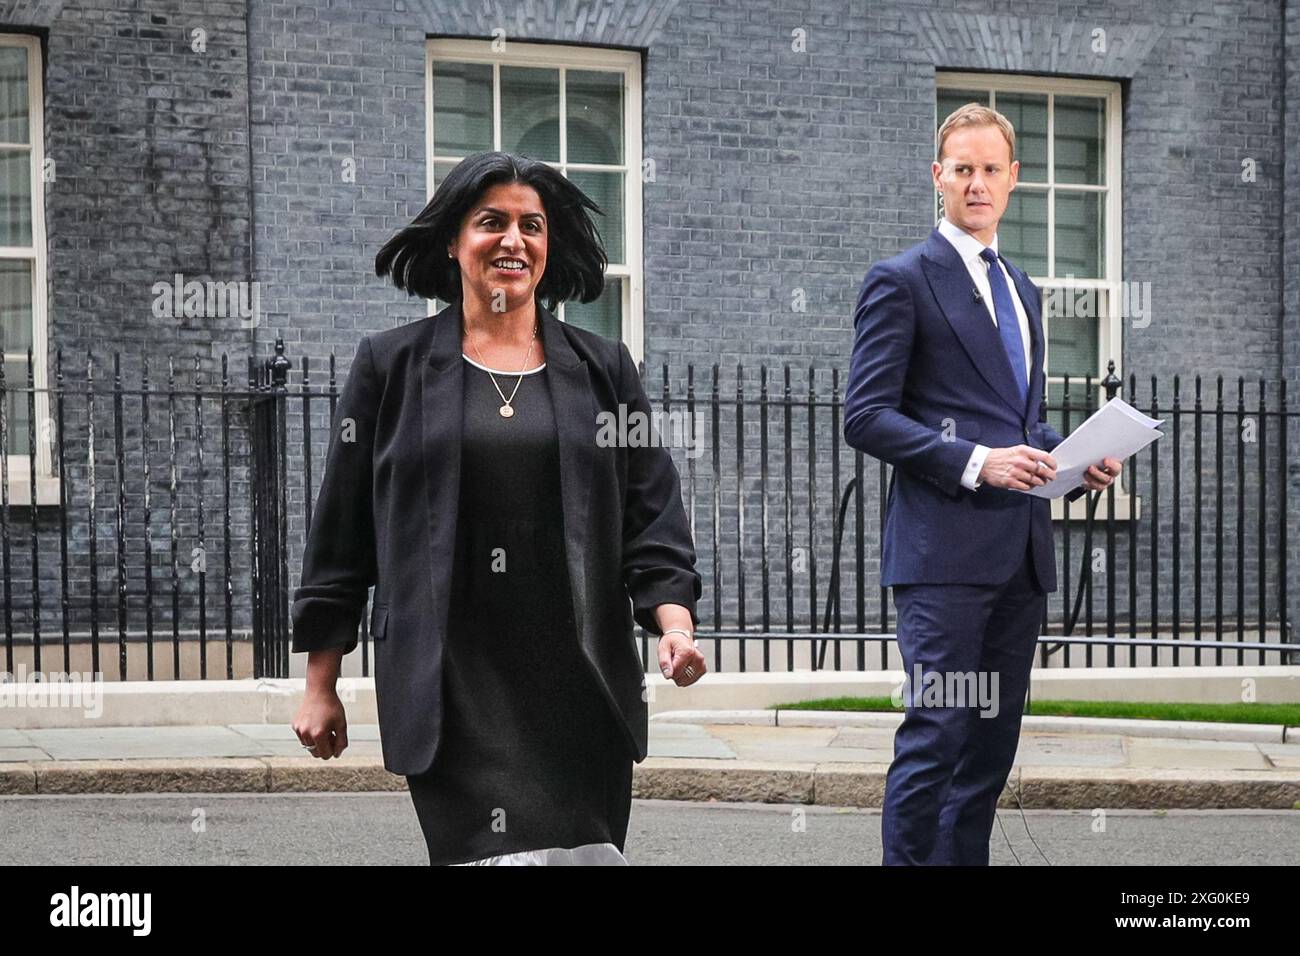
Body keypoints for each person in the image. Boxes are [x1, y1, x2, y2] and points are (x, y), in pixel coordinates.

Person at [290, 151, 705, 865]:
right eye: (492, 223)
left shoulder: (604, 370)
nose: (514, 240)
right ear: (453, 240)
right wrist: (320, 685)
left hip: (576, 681)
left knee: (583, 857)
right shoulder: (391, 368)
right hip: (453, 683)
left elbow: (651, 513)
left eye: (531, 226)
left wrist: (674, 623)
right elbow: (342, 534)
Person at [843, 104, 1121, 865]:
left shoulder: (1024, 289)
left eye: (990, 169)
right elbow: (864, 416)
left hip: (1020, 557)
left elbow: (1018, 426)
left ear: (1013, 180)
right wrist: (976, 460)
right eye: (961, 169)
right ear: (939, 178)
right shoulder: (901, 280)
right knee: (936, 742)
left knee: (988, 760)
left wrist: (1074, 461)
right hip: (943, 559)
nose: (976, 183)